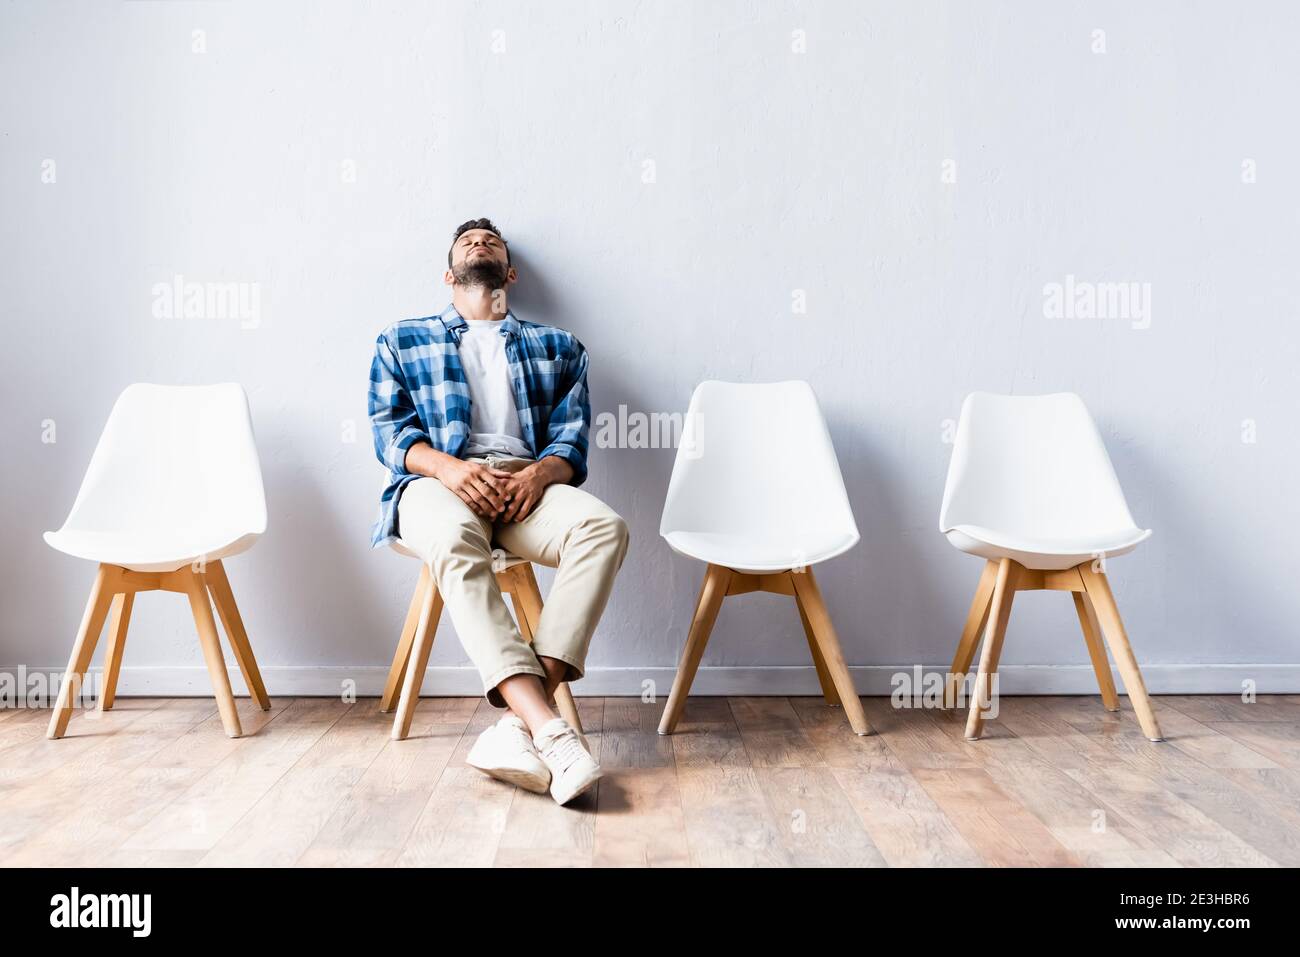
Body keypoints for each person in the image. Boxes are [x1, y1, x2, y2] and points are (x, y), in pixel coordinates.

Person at [367, 218, 629, 805]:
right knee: (458, 537)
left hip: (522, 485)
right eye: (466, 242)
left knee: (603, 528)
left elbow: (572, 441)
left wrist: (539, 472)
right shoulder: (401, 340)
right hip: (438, 481)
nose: (478, 243)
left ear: (508, 273)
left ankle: (517, 725)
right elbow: (389, 435)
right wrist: (451, 469)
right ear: (448, 274)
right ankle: (552, 732)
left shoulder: (560, 346)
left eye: (491, 242)